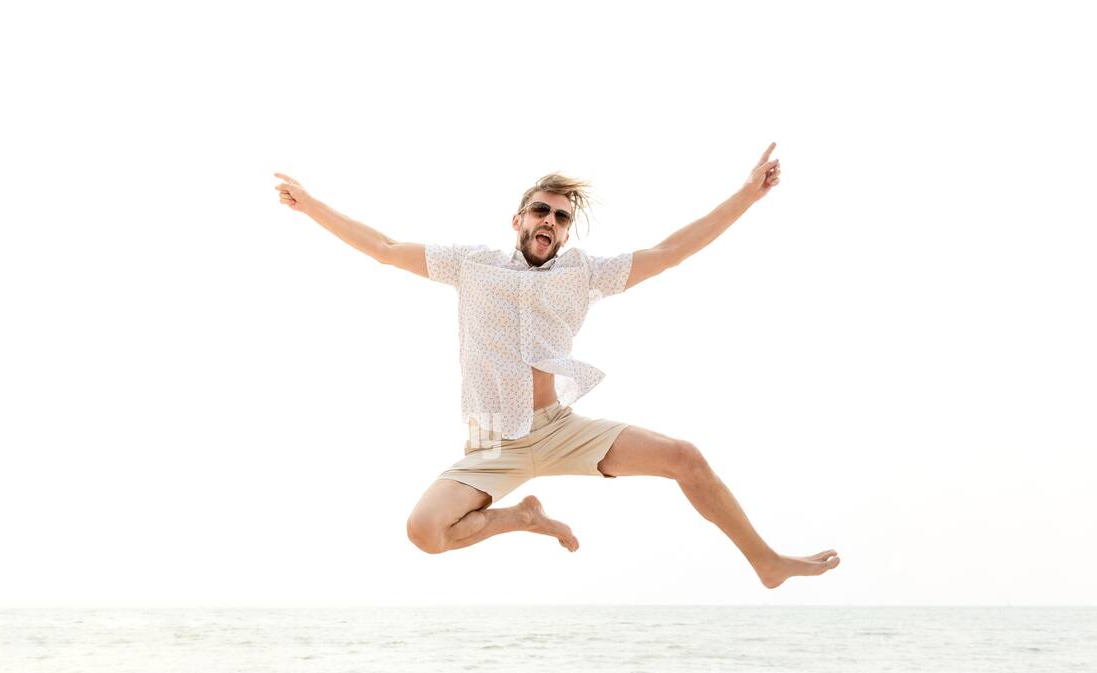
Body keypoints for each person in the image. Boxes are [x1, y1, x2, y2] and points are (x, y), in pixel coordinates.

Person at [273, 144, 839, 588]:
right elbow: (384, 246)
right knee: (425, 533)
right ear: (518, 218)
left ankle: (767, 563)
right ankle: (522, 518)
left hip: (561, 430)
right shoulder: (470, 265)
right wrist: (311, 205)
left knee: (686, 457)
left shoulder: (584, 275)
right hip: (495, 445)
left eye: (562, 217)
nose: (550, 220)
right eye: (541, 210)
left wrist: (745, 195)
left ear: (568, 231)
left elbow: (672, 252)